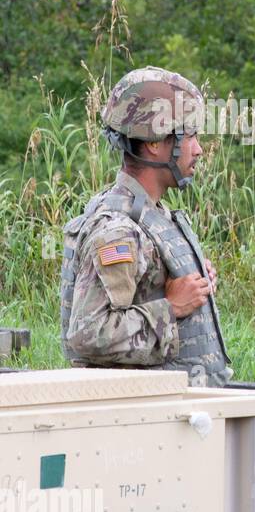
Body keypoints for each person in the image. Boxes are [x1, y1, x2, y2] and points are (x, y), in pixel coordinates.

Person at [61, 66, 232, 387]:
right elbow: (87, 334)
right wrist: (171, 308)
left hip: (174, 415)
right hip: (143, 419)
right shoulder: (118, 229)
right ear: (154, 143)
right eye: (189, 135)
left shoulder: (152, 214)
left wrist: (193, 283)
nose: (199, 149)